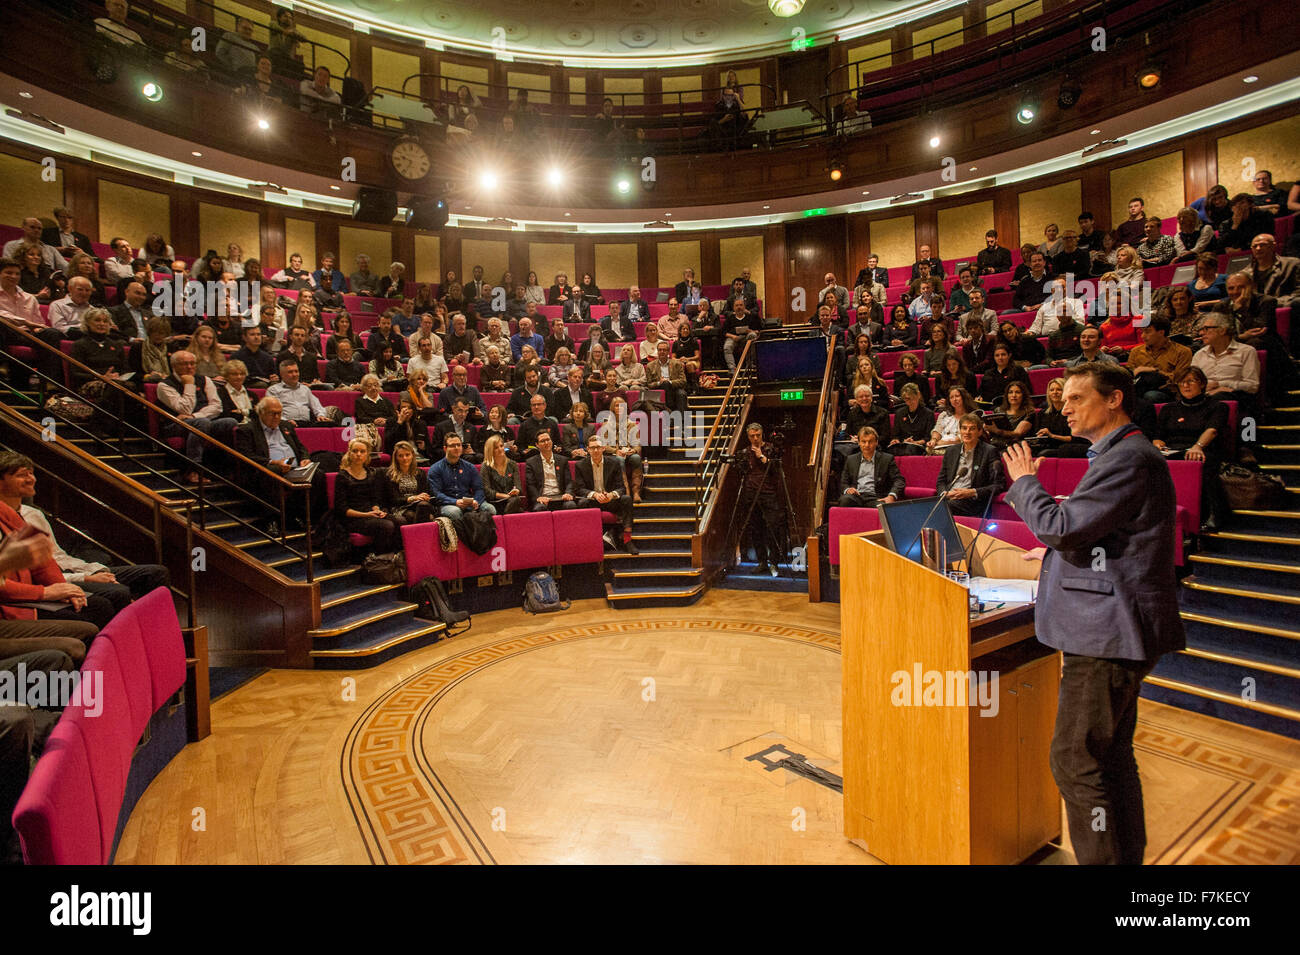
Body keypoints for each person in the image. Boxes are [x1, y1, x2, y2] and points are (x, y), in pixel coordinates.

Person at [1002, 362, 1184, 865]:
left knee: (1075, 761)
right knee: (1109, 757)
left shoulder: (1129, 459)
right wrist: (1058, 553)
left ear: (1114, 400)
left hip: (1107, 635)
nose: (1064, 406)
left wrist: (1024, 483)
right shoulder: (1119, 456)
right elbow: (1099, 533)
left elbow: (1062, 526)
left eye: (1077, 398)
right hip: (1113, 630)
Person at [156, 350, 237, 483]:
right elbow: (184, 408)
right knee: (202, 422)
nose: (189, 367)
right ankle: (193, 469)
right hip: (173, 424)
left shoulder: (205, 380)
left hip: (200, 421)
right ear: (174, 366)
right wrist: (189, 384)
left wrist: (194, 416)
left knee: (230, 422)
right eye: (184, 364)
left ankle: (226, 469)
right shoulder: (164, 385)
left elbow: (217, 407)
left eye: (192, 363)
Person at [571, 434, 637, 553]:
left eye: (598, 447)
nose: (595, 450)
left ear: (603, 448)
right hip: (592, 501)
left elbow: (621, 487)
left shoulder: (614, 463)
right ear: (588, 449)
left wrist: (611, 495)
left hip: (609, 500)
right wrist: (595, 494)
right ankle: (587, 541)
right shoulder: (580, 465)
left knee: (626, 499)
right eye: (592, 448)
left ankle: (627, 539)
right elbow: (579, 489)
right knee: (581, 502)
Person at [735, 423, 785, 576]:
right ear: (748, 436)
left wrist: (762, 457)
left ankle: (774, 562)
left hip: (769, 493)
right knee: (756, 529)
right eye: (752, 436)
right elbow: (741, 472)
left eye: (758, 435)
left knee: (773, 527)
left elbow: (776, 469)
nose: (755, 438)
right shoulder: (744, 452)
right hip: (750, 493)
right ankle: (762, 561)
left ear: (762, 434)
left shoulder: (771, 449)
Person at [334, 439, 401, 553]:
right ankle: (378, 558)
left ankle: (395, 556)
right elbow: (342, 509)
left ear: (367, 454)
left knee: (400, 521)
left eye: (362, 451)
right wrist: (367, 514)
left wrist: (377, 510)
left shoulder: (371, 473)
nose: (358, 454)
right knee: (387, 525)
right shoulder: (342, 476)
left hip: (369, 513)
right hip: (353, 518)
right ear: (349, 453)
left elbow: (374, 499)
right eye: (355, 451)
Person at [934, 414, 1003, 517]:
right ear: (960, 431)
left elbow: (998, 485)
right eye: (964, 428)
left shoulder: (989, 451)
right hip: (950, 498)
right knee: (925, 506)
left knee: (944, 507)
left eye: (972, 429)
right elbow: (941, 481)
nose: (967, 432)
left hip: (973, 502)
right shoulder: (951, 451)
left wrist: (971, 492)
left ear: (979, 432)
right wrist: (944, 493)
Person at [427, 433, 495, 520]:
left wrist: (475, 501)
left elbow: (479, 489)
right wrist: (455, 502)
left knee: (490, 509)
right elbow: (437, 494)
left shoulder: (470, 467)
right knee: (455, 512)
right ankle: (465, 533)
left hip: (468, 501)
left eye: (458, 445)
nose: (456, 448)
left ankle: (484, 534)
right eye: (452, 446)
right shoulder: (435, 469)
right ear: (445, 448)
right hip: (447, 504)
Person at [1127, 316, 1192, 403]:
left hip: (1168, 391)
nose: (1142, 336)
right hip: (1140, 388)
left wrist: (1154, 371)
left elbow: (1180, 379)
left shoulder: (1182, 352)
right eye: (1142, 332)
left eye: (1147, 332)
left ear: (1161, 332)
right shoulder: (1136, 351)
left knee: (1150, 396)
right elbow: (1128, 376)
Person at [837, 426, 903, 508]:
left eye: (870, 442)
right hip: (856, 496)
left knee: (883, 508)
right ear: (859, 442)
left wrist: (891, 496)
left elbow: (899, 480)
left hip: (876, 497)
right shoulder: (851, 459)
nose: (867, 445)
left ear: (876, 442)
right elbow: (843, 482)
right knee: (844, 501)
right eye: (863, 442)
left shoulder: (887, 459)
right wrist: (847, 489)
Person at [598, 396, 644, 502]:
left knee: (636, 458)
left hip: (628, 452)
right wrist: (615, 451)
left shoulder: (631, 424)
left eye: (621, 406)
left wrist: (633, 450)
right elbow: (603, 445)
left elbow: (638, 445)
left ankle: (636, 492)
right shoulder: (606, 425)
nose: (619, 408)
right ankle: (626, 491)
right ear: (612, 408)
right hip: (613, 454)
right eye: (616, 406)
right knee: (620, 460)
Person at [267, 357, 334, 427]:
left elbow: (317, 406)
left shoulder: (305, 389)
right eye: (290, 372)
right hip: (286, 424)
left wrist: (321, 415)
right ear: (282, 374)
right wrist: (285, 421)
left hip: (307, 423)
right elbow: (272, 412)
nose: (294, 375)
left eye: (296, 371)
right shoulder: (273, 390)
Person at [524, 431, 574, 512]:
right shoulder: (531, 462)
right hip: (543, 497)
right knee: (539, 508)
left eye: (548, 440)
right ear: (537, 445)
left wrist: (568, 493)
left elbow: (569, 481)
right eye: (542, 441)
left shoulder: (562, 460)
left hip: (561, 497)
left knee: (571, 505)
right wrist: (538, 497)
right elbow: (530, 485)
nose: (546, 443)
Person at [478, 434, 524, 515]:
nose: (500, 449)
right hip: (496, 502)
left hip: (512, 500)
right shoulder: (486, 466)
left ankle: (505, 517)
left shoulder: (513, 464)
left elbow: (518, 487)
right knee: (516, 504)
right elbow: (487, 491)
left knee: (515, 500)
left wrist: (516, 491)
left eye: (501, 446)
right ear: (490, 450)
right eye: (496, 448)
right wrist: (504, 496)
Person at [984, 381, 1035, 450]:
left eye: (1017, 392)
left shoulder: (1029, 412)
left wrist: (996, 431)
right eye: (1010, 392)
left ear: (1023, 395)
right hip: (996, 443)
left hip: (1017, 445)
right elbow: (991, 431)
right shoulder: (998, 410)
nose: (1013, 395)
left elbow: (1017, 433)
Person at [888, 383, 934, 456]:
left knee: (910, 449)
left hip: (919, 446)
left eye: (911, 398)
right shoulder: (899, 413)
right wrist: (895, 440)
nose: (909, 402)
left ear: (918, 395)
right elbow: (895, 435)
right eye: (906, 399)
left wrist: (916, 442)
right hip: (903, 445)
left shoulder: (928, 414)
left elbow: (928, 437)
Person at [930, 387, 979, 452]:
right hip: (940, 445)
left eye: (957, 396)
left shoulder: (971, 416)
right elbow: (938, 429)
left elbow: (961, 439)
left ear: (964, 397)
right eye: (951, 397)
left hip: (961, 447)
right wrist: (933, 440)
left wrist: (942, 443)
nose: (954, 399)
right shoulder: (944, 415)